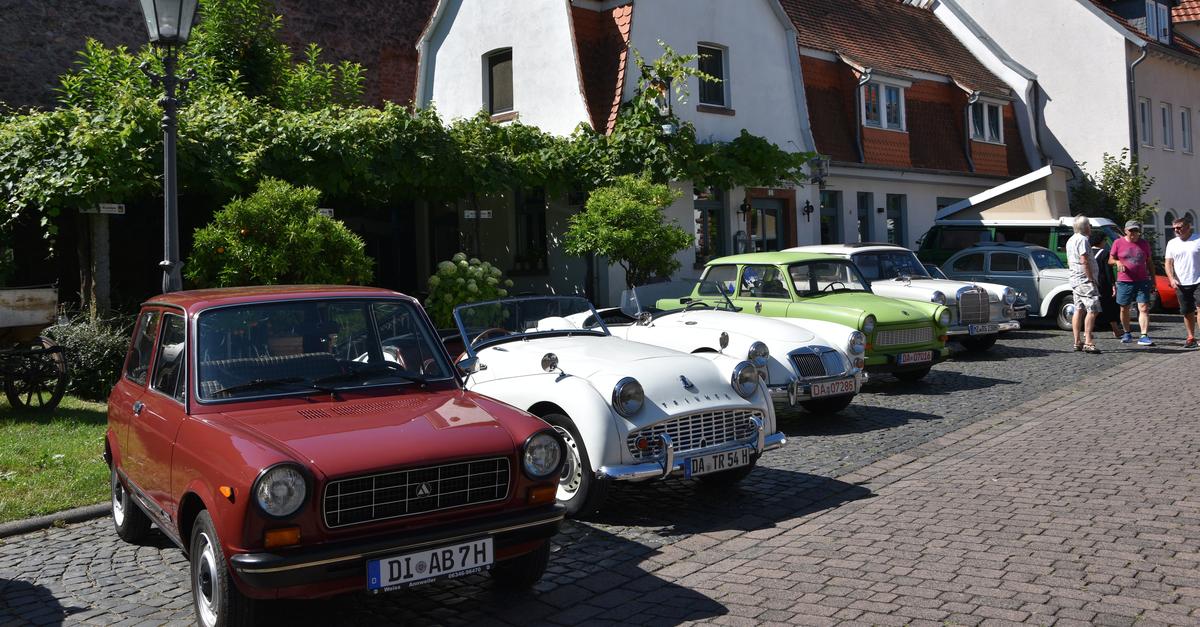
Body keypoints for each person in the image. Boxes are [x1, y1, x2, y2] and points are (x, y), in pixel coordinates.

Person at [1109, 219, 1155, 345]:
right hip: (1125, 281)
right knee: (1124, 308)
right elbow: (1110, 260)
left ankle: (1144, 335)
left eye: (1136, 230)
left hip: (1142, 280)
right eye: (1131, 230)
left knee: (1144, 307)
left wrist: (1153, 279)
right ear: (1125, 231)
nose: (1134, 233)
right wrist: (1118, 262)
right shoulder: (1118, 243)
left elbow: (1149, 262)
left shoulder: (1144, 244)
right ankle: (1127, 333)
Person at [1066, 215, 1101, 353]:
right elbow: (1084, 260)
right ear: (1085, 226)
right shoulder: (1082, 240)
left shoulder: (1071, 239)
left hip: (1075, 278)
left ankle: (1077, 341)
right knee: (1093, 309)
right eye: (1089, 225)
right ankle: (1088, 341)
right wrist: (1091, 278)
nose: (1090, 228)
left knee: (1079, 309)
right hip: (1084, 280)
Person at [1165, 216, 1200, 348]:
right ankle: (1191, 336)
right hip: (1180, 282)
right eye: (1174, 228)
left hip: (1198, 279)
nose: (1176, 230)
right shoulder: (1172, 243)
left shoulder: (1198, 239)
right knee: (1187, 311)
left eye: (1179, 227)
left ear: (1188, 227)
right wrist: (1171, 278)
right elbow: (1168, 263)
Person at [1091, 232, 1122, 339]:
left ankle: (1088, 331)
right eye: (1104, 240)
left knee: (1091, 308)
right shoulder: (1104, 253)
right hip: (1103, 283)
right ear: (1101, 241)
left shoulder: (1088, 252)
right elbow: (1107, 271)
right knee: (1110, 307)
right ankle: (1116, 330)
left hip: (1091, 282)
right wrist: (1113, 284)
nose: (1105, 243)